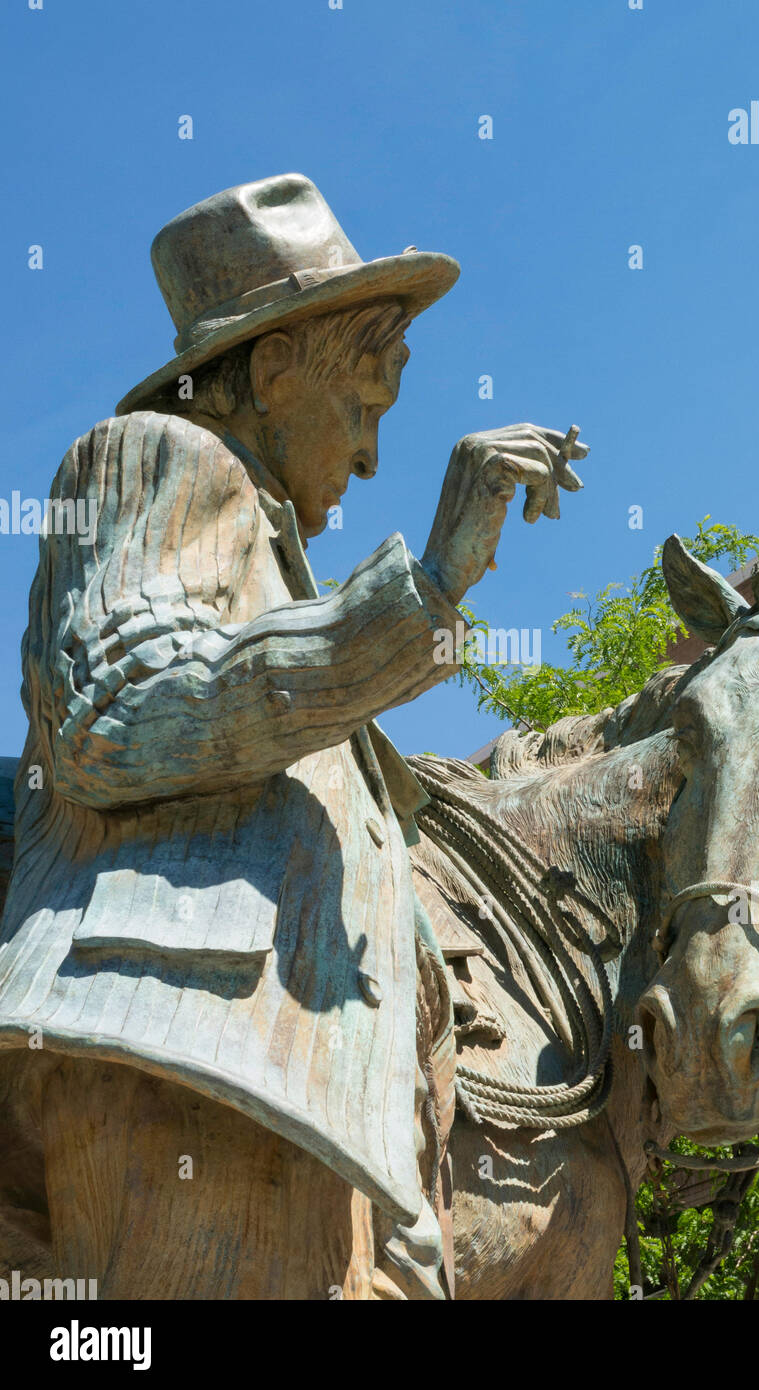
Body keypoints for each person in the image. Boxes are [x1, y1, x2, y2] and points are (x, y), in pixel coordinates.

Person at [0, 173, 587, 1298]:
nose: (370, 460)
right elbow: (111, 714)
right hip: (186, 1065)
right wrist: (423, 588)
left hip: (305, 1111)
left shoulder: (275, 564)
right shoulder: (150, 458)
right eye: (366, 407)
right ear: (272, 369)